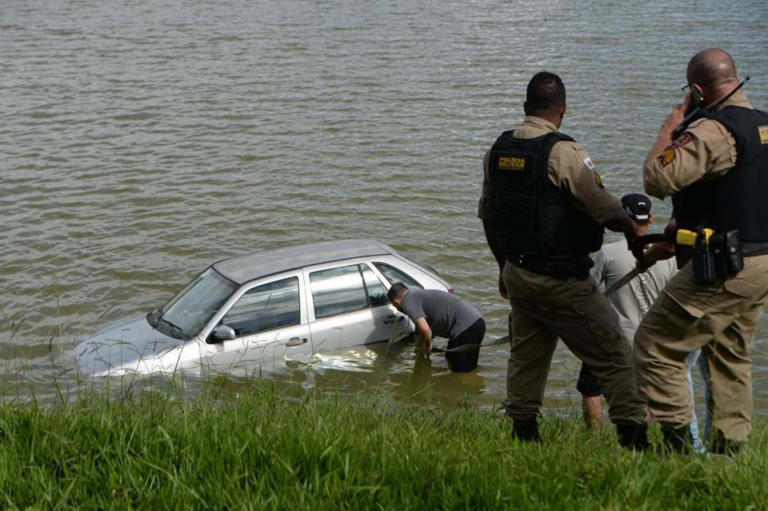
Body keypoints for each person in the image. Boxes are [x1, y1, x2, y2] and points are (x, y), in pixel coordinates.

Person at [478, 71, 649, 449]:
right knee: (615, 356)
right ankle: (636, 441)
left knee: (526, 359)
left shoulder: (497, 151)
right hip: (564, 281)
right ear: (563, 110)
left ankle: (524, 439)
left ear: (525, 107)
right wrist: (635, 232)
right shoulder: (565, 153)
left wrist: (502, 268)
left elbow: (488, 215)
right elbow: (605, 208)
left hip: (519, 273)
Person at [635, 48, 768, 454]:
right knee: (730, 356)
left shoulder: (713, 129)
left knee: (656, 346)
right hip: (760, 261)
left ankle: (680, 452)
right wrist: (691, 223)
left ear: (696, 89)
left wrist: (670, 127)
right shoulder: (763, 124)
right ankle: (729, 454)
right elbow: (742, 186)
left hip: (727, 265)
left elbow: (658, 179)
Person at [579, 193, 707, 451]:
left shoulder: (607, 253)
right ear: (651, 218)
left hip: (614, 336)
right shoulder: (670, 254)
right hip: (651, 338)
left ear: (622, 219)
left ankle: (593, 440)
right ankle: (641, 439)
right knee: (643, 391)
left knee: (592, 389)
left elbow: (588, 292)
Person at [387, 283, 485, 372]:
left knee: (462, 371)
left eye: (394, 305)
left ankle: (470, 388)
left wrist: (429, 344)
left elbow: (425, 329)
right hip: (474, 322)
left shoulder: (407, 302)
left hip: (467, 329)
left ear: (396, 302)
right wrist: (418, 347)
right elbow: (420, 328)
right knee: (451, 359)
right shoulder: (415, 294)